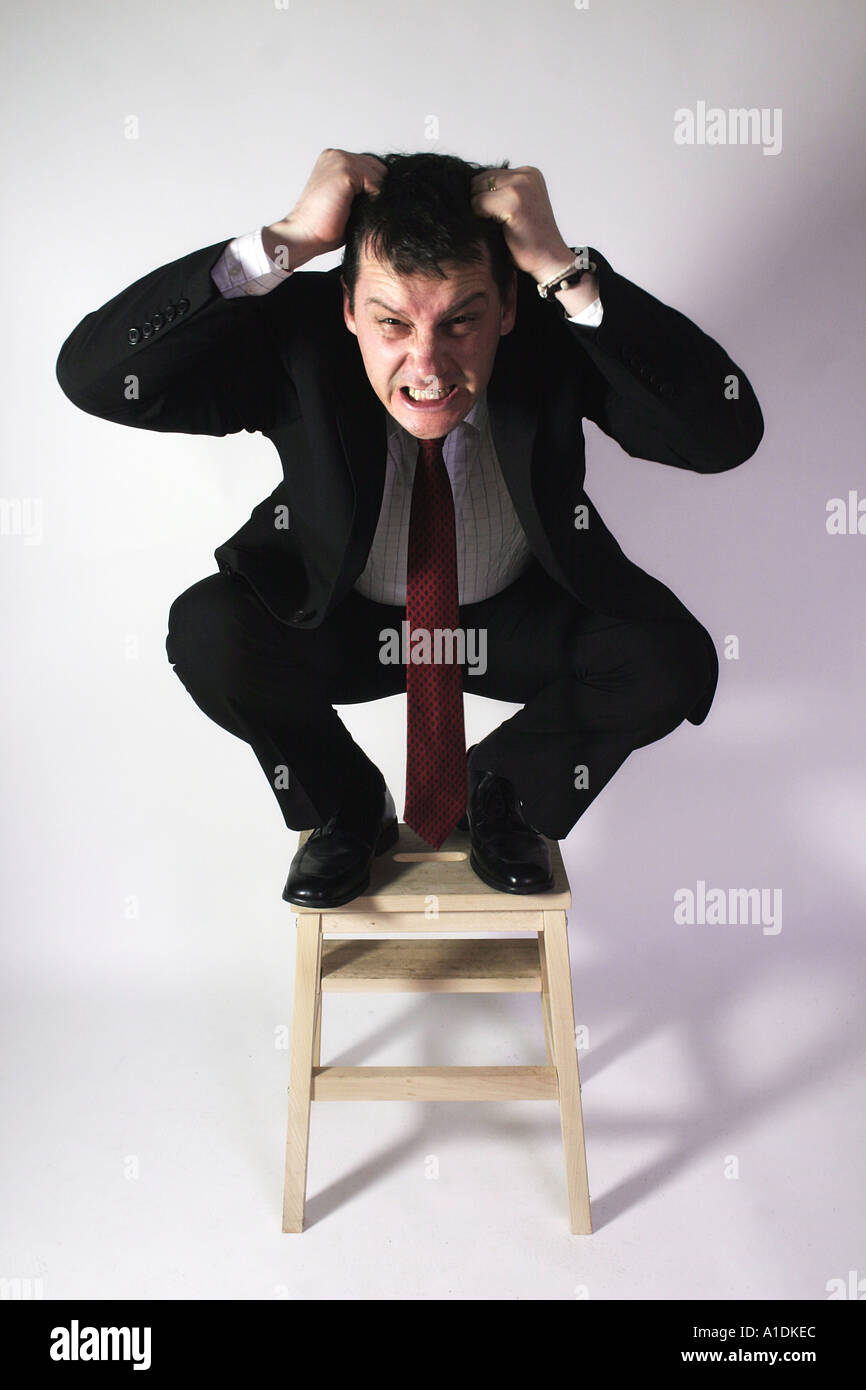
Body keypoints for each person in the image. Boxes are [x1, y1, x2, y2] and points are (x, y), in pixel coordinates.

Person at [55, 148, 764, 909]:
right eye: (393, 322)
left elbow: (723, 435)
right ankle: (347, 809)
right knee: (208, 632)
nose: (426, 364)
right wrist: (285, 241)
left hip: (507, 616)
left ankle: (502, 794)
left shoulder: (550, 334)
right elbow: (95, 377)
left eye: (462, 320)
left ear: (509, 306)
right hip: (344, 616)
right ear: (350, 309)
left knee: (669, 659)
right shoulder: (298, 341)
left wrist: (563, 266)